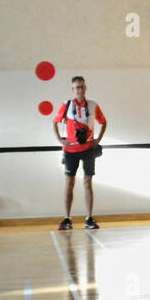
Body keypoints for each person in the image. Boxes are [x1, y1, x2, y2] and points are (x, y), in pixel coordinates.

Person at [53, 76, 107, 231]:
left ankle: (89, 219)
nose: (79, 90)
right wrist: (60, 139)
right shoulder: (67, 105)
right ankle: (67, 219)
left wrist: (98, 139)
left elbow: (103, 122)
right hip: (70, 151)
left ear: (85, 88)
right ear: (72, 89)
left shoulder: (92, 105)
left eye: (82, 86)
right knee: (69, 184)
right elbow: (54, 122)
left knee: (87, 183)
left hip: (88, 150)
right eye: (76, 87)